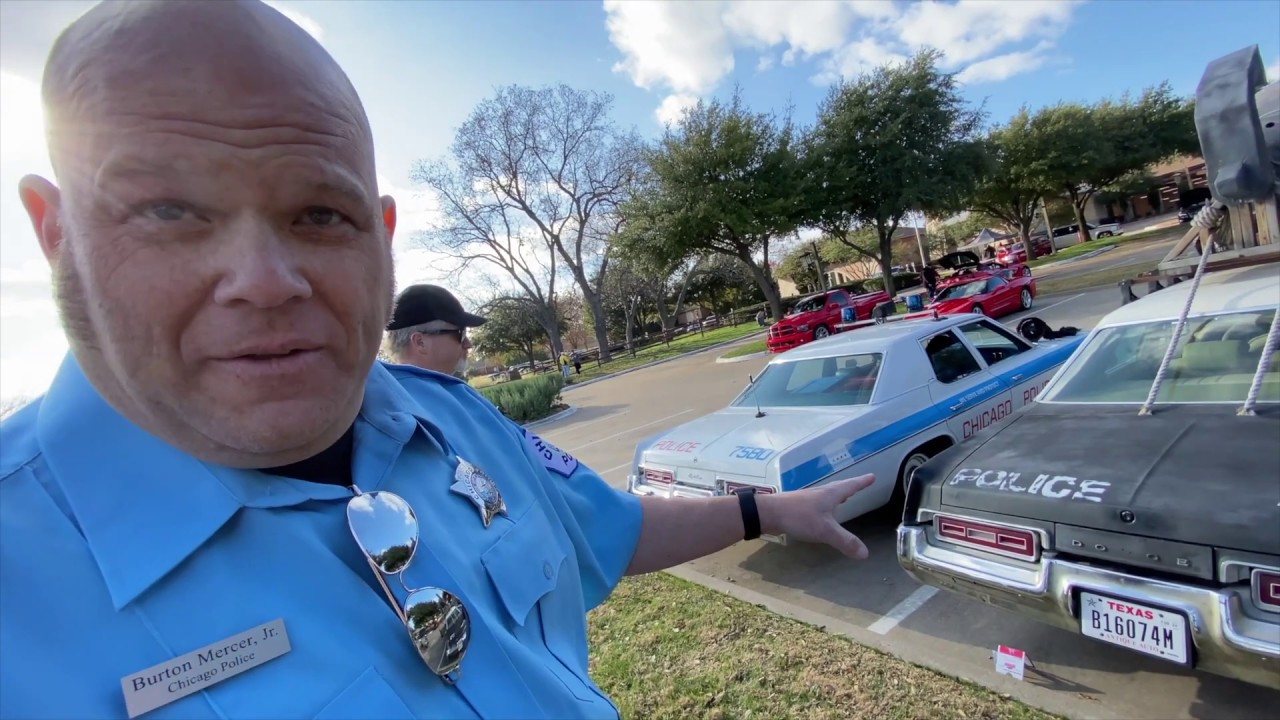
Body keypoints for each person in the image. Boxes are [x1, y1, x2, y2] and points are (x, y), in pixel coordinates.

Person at [0, 2, 876, 718]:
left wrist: (768, 511)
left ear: (381, 240)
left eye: (319, 215)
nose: (265, 282)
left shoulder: (448, 415)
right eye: (166, 211)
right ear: (56, 235)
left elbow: (605, 530)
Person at [384, 284, 484, 377]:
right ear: (420, 342)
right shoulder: (410, 394)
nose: (468, 344)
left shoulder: (395, 391)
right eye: (460, 333)